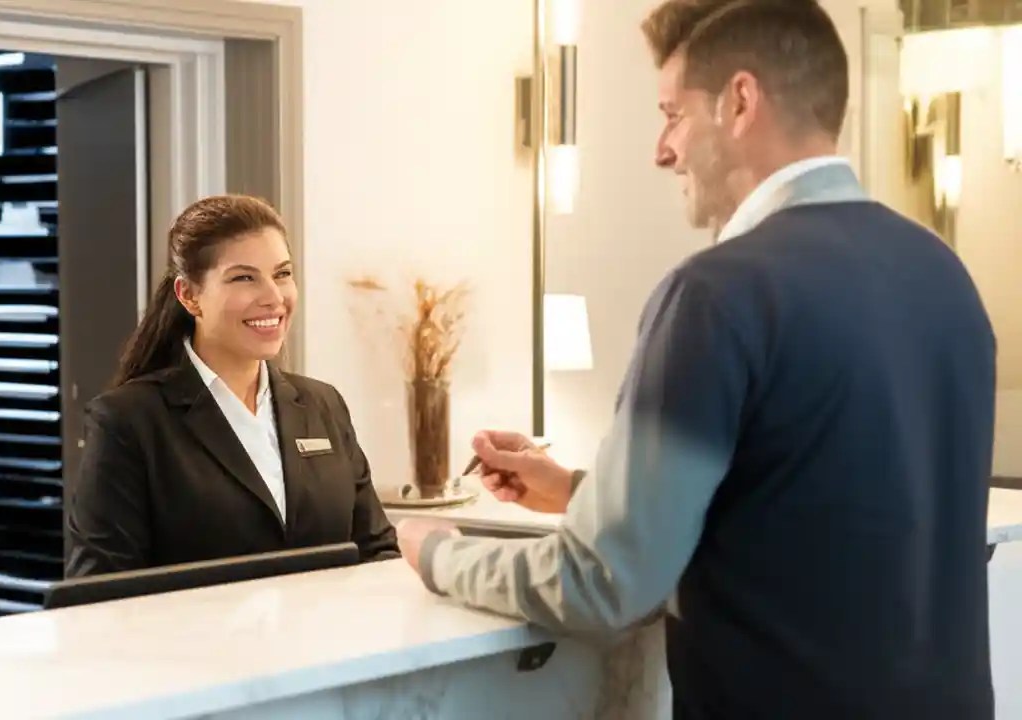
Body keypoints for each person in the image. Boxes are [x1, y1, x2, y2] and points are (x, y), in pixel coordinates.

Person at [398, 1, 996, 717]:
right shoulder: (944, 275)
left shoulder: (717, 295)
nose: (663, 150)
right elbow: (814, 507)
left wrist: (440, 554)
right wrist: (577, 491)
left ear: (739, 101)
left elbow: (605, 582)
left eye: (672, 115)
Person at [65, 194, 398, 578]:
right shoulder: (128, 421)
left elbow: (378, 553)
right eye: (244, 278)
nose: (273, 297)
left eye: (282, 274)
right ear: (189, 296)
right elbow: (101, 589)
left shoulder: (324, 404)